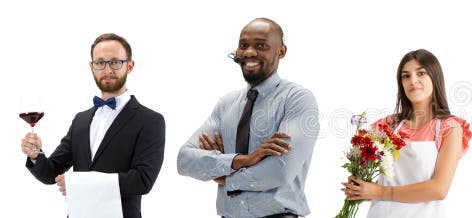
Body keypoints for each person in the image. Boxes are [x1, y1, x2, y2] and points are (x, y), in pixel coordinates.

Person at [176, 18, 319, 218]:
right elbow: (184, 160)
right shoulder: (226, 104)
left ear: (281, 51)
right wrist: (241, 160)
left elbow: (280, 171)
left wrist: (225, 176)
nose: (249, 52)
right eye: (244, 45)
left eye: (261, 45)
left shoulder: (296, 99)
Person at [21, 33, 166, 218]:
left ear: (130, 66)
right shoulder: (81, 120)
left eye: (115, 62)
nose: (107, 69)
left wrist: (79, 183)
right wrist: (35, 155)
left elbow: (143, 180)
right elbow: (51, 173)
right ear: (92, 67)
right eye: (100, 62)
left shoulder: (150, 120)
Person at [340, 49, 472, 217]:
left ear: (435, 77)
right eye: (406, 76)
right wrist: (360, 187)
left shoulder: (450, 128)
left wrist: (379, 192)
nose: (413, 81)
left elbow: (439, 189)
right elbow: (379, 177)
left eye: (421, 73)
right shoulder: (387, 125)